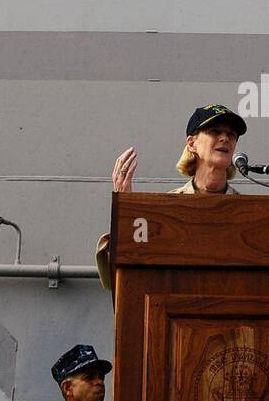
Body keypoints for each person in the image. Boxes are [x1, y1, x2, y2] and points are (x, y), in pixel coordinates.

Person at [94, 104, 247, 290]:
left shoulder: (247, 210)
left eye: (231, 135)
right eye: (215, 131)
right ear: (192, 144)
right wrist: (127, 210)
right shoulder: (166, 208)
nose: (225, 138)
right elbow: (116, 278)